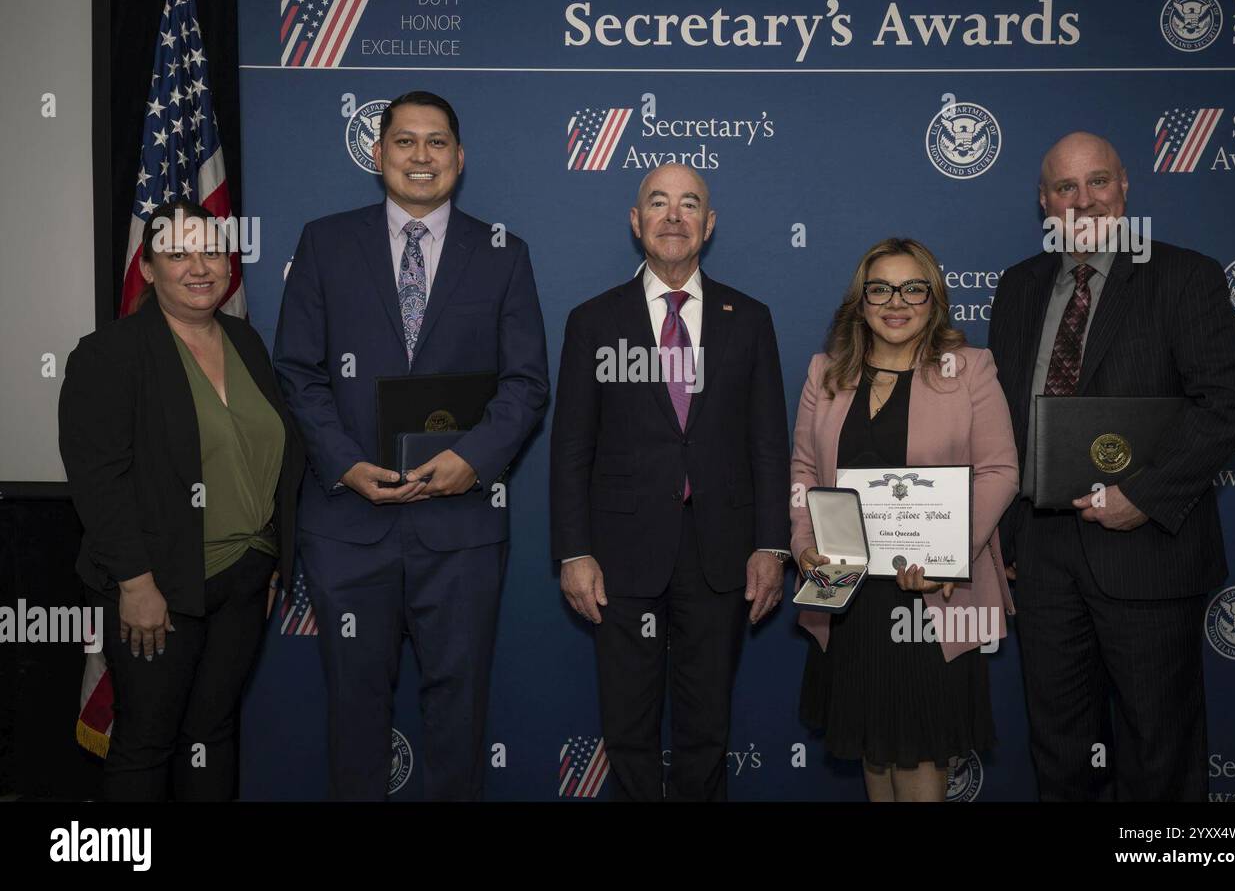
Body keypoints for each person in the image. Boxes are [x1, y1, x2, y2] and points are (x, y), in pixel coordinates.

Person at [273, 90, 548, 800]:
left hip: (459, 528)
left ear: (459, 158)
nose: (420, 156)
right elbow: (297, 372)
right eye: (403, 141)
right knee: (354, 712)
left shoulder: (503, 254)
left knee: (459, 716)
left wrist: (473, 460)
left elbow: (525, 384)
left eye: (436, 143)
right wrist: (342, 463)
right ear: (378, 153)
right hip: (348, 526)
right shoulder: (324, 243)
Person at [987, 131, 1235, 801]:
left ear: (1125, 187)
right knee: (1059, 751)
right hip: (1045, 556)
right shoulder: (1019, 288)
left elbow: (1227, 402)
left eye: (1099, 182)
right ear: (1044, 201)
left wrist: (1144, 493)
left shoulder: (1185, 276)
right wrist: (1008, 538)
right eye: (1066, 188)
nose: (1085, 201)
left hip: (1147, 548)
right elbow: (1004, 422)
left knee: (1157, 753)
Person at [550, 163, 790, 801]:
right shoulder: (593, 321)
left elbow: (769, 444)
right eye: (658, 203)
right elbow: (571, 448)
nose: (674, 216)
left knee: (706, 726)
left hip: (722, 553)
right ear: (637, 222)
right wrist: (574, 552)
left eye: (690, 205)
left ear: (709, 225)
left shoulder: (751, 318)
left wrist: (772, 544)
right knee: (627, 727)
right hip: (622, 555)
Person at [58, 199, 305, 801]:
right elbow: (99, 480)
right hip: (159, 585)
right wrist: (136, 584)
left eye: (212, 251)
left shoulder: (245, 341)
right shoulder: (108, 354)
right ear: (147, 268)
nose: (200, 266)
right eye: (178, 254)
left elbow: (267, 455)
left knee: (212, 734)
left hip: (244, 579)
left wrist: (269, 555)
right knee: (147, 742)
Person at [791, 238, 1019, 801]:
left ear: (933, 299)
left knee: (919, 755)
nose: (897, 301)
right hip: (848, 595)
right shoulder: (826, 373)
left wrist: (950, 555)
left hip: (932, 600)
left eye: (913, 287)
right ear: (861, 301)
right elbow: (802, 473)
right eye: (881, 288)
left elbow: (1000, 470)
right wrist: (803, 547)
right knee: (874, 751)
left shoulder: (969, 368)